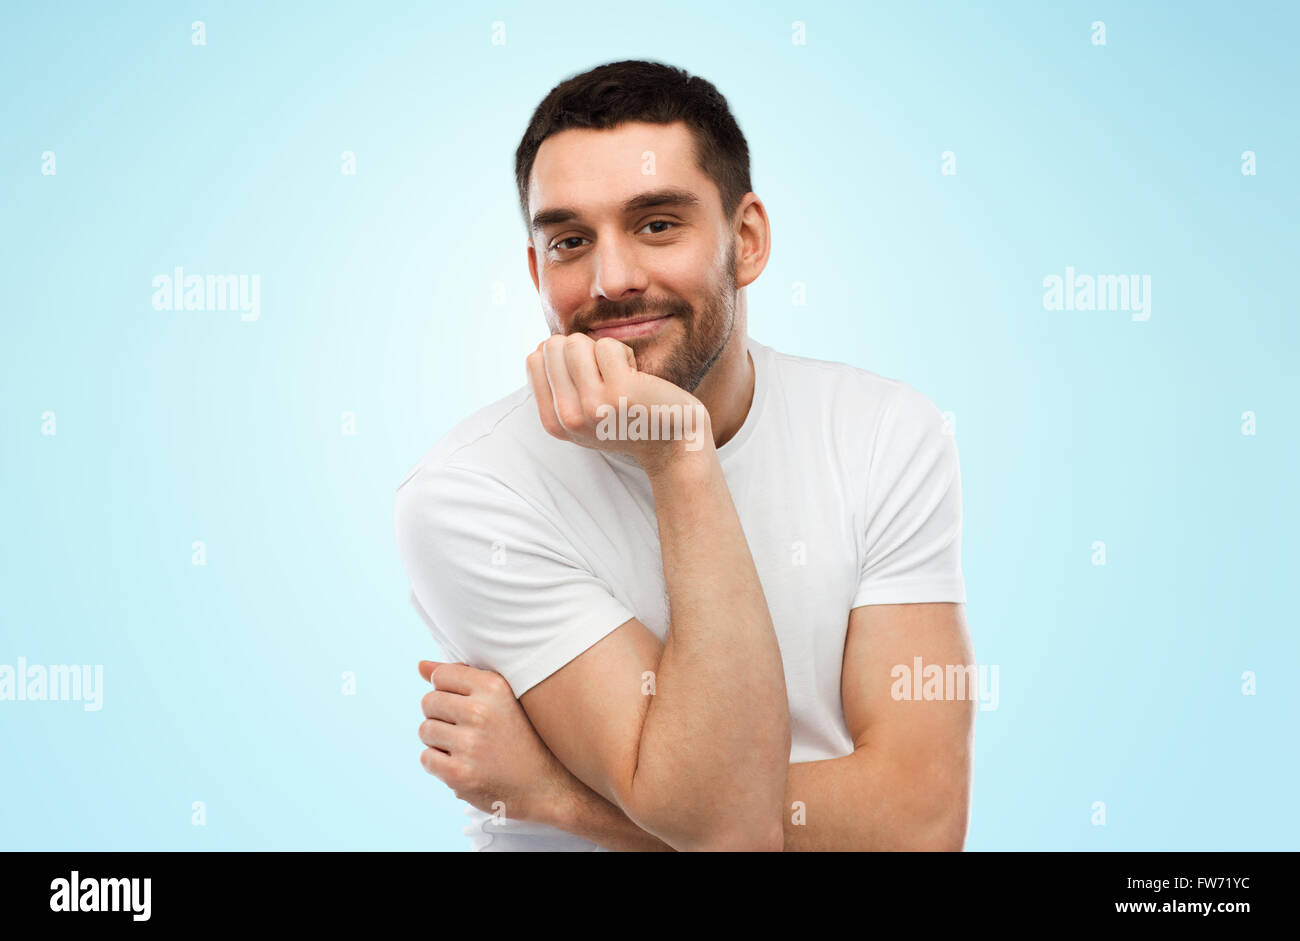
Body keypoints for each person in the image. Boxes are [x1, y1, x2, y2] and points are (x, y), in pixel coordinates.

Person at [394, 59, 975, 851]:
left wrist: (559, 797)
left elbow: (919, 823)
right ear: (536, 270)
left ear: (746, 240)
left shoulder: (885, 432)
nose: (612, 278)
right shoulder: (468, 494)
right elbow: (724, 819)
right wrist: (682, 460)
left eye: (657, 224)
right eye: (569, 241)